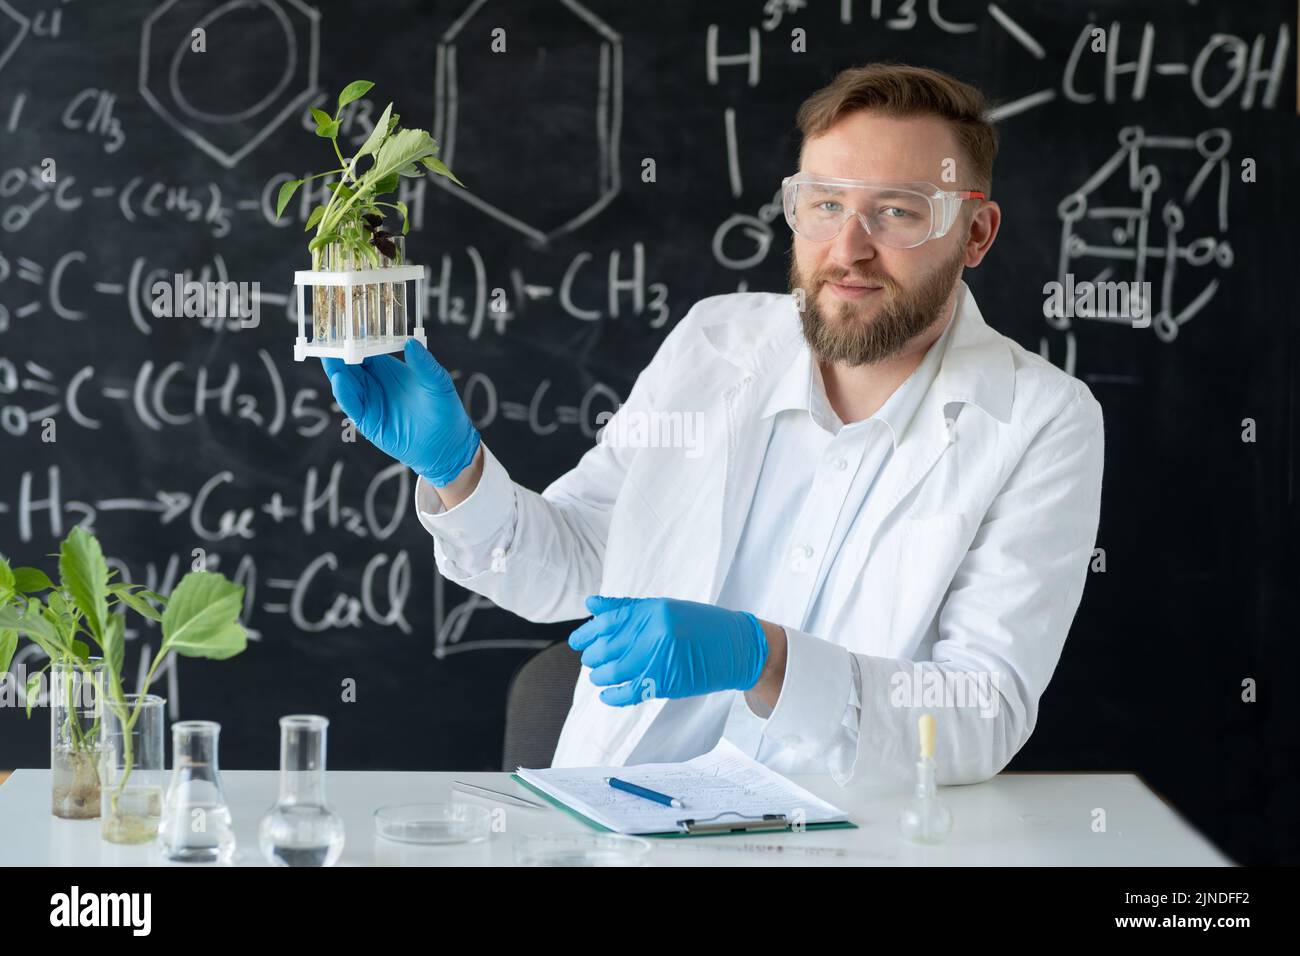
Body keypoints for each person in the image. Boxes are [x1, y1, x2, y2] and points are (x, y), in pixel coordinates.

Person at [322, 63, 1104, 785]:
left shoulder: (1040, 421)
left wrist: (764, 658)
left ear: (975, 234)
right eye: (825, 205)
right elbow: (574, 570)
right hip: (618, 823)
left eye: (896, 212)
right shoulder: (714, 344)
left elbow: (982, 710)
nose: (849, 248)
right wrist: (456, 468)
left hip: (849, 835)